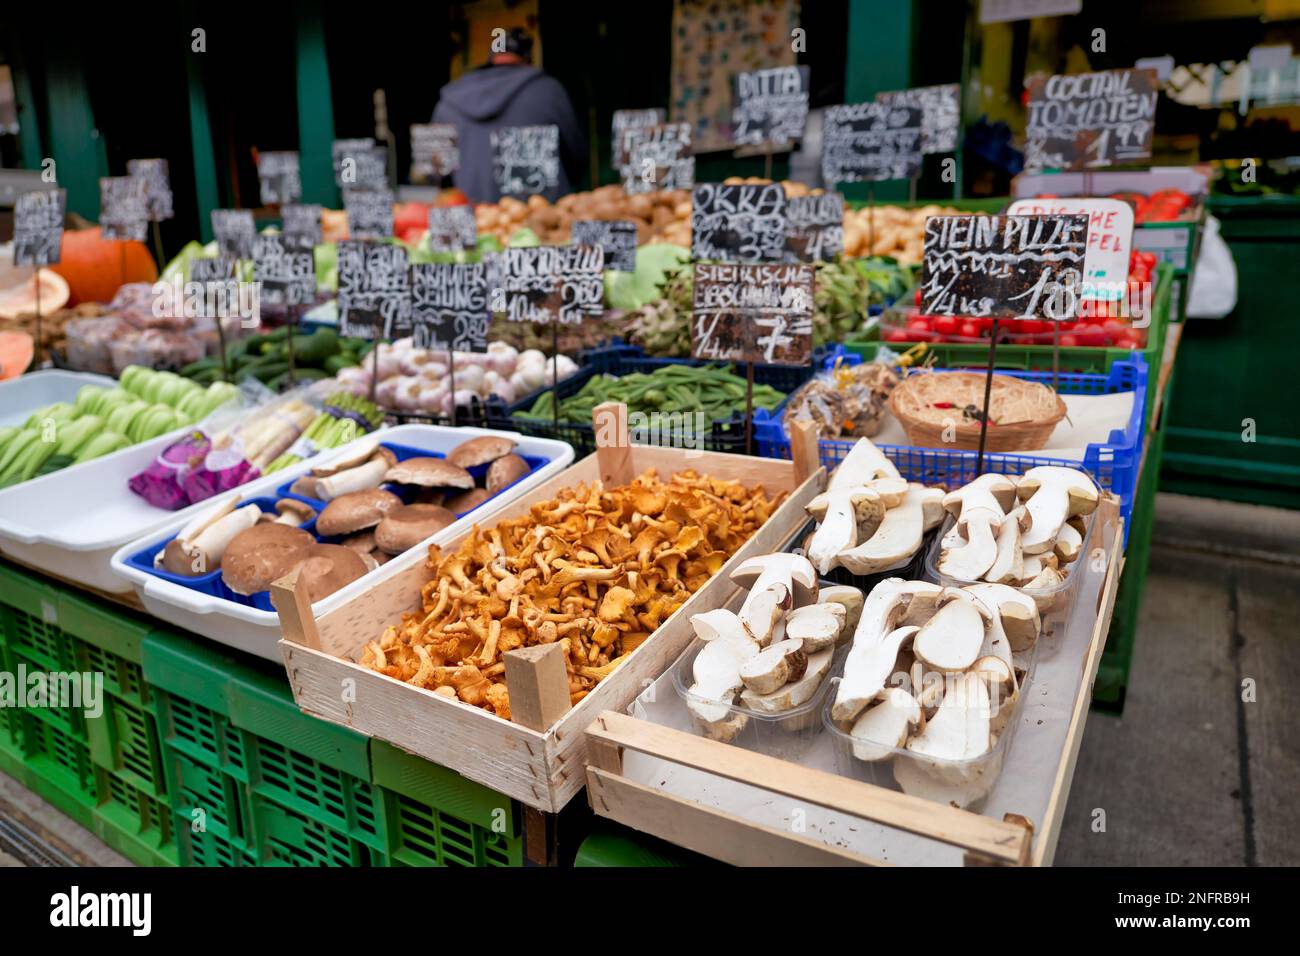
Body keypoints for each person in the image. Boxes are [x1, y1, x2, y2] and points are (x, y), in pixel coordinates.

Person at [433, 27, 587, 203]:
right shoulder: (549, 91)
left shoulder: (450, 99)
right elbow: (577, 156)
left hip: (472, 215)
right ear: (528, 57)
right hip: (539, 215)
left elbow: (436, 172)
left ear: (491, 57)